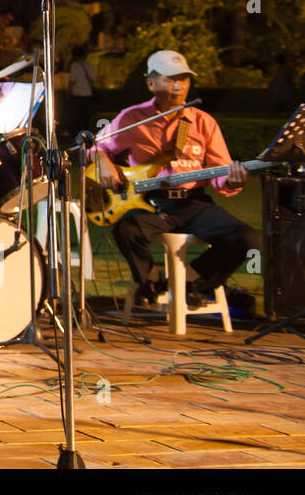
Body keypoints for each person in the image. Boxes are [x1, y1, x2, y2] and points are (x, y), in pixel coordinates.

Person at [94, 49, 260, 308]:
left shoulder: (203, 122)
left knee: (249, 239)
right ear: (150, 84)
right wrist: (104, 163)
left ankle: (190, 283)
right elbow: (96, 146)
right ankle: (149, 281)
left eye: (184, 79)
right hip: (151, 204)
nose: (178, 85)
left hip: (194, 205)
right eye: (170, 78)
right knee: (126, 229)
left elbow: (220, 172)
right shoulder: (131, 118)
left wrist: (232, 181)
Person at [68, 45, 98, 135]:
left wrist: (68, 92)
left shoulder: (74, 65)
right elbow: (94, 79)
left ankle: (76, 135)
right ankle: (87, 134)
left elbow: (72, 81)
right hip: (88, 95)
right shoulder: (89, 65)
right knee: (86, 117)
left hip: (77, 95)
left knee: (77, 116)